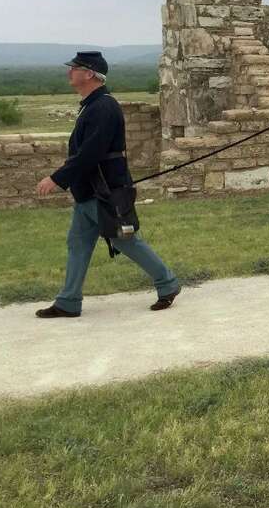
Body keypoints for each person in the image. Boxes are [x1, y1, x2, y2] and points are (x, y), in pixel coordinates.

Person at [34, 51, 180, 318]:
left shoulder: (103, 107)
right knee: (78, 243)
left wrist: (56, 178)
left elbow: (91, 153)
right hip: (90, 190)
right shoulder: (93, 105)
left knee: (124, 240)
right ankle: (68, 301)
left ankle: (168, 283)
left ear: (89, 74)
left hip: (103, 190)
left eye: (75, 68)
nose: (69, 72)